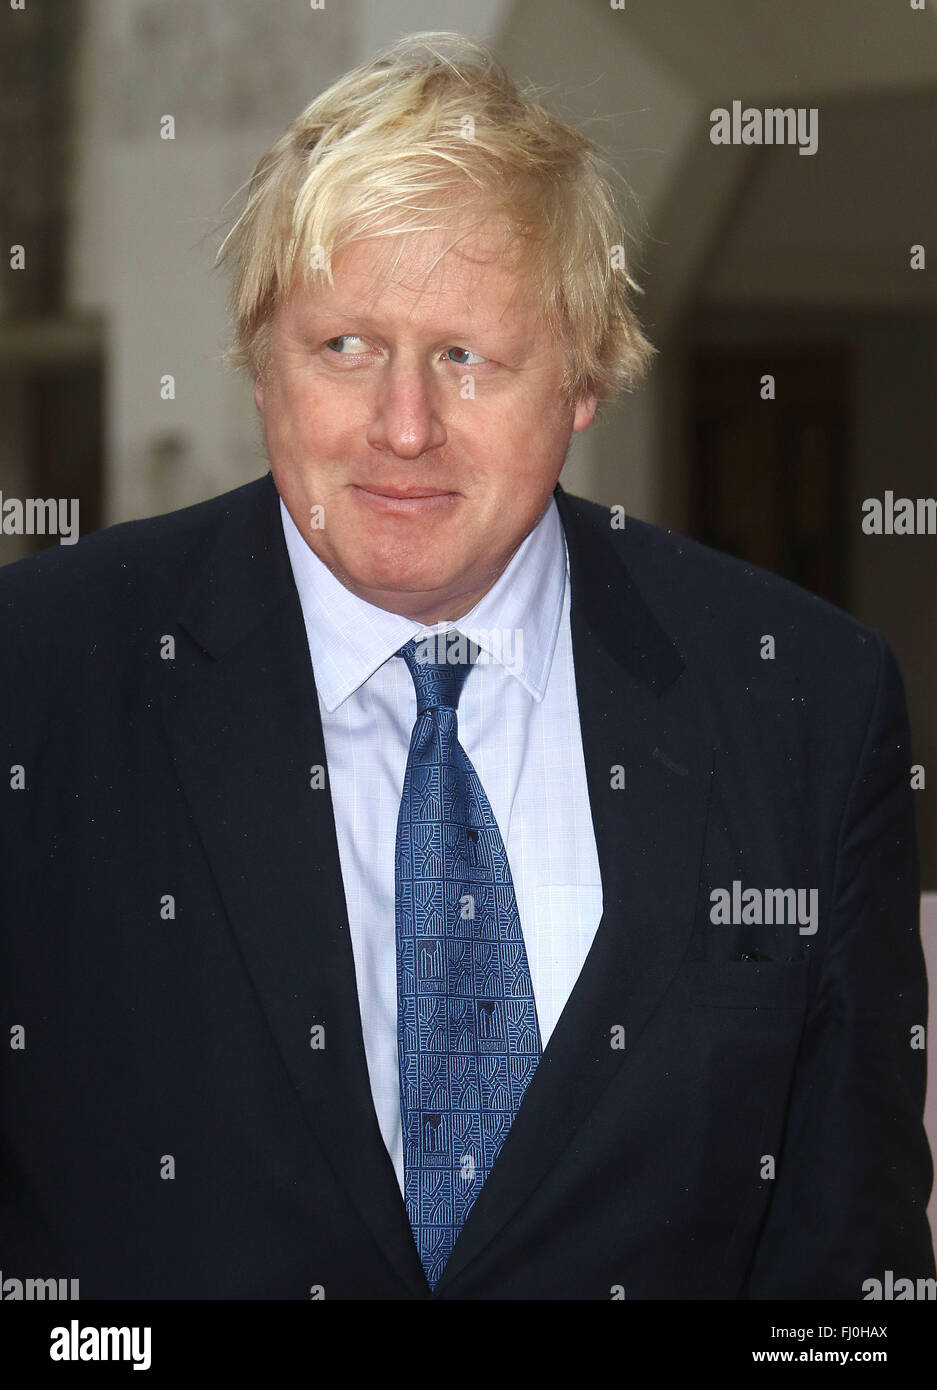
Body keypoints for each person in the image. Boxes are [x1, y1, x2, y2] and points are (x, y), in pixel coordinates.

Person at [1, 32, 932, 1300]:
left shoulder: (804, 704)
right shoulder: (41, 674)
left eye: (467, 357)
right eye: (345, 347)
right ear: (262, 359)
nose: (402, 426)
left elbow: (845, 1271)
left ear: (585, 376)